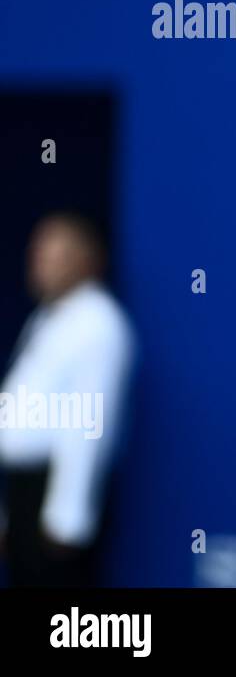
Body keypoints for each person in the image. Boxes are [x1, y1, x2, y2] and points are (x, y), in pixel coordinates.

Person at [0, 212, 135, 587]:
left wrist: (67, 517)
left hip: (53, 499)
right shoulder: (47, 319)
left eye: (55, 252)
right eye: (38, 252)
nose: (41, 261)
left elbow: (87, 425)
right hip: (25, 495)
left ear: (88, 259)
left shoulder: (97, 322)